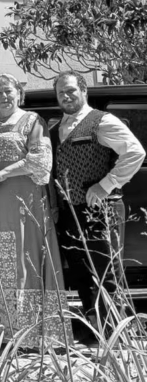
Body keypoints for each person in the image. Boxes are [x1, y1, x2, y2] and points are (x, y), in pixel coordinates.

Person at [0, 73, 73, 348]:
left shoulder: (33, 122)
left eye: (9, 91)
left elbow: (39, 161)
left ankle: (28, 335)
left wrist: (1, 175)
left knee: (25, 259)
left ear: (19, 94)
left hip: (25, 201)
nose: (4, 96)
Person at [50, 71, 146, 346]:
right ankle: (93, 329)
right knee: (82, 273)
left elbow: (135, 152)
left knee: (106, 273)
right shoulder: (56, 128)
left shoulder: (102, 121)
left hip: (100, 210)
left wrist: (106, 185)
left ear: (84, 91)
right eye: (61, 93)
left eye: (71, 90)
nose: (66, 96)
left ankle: (115, 333)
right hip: (70, 210)